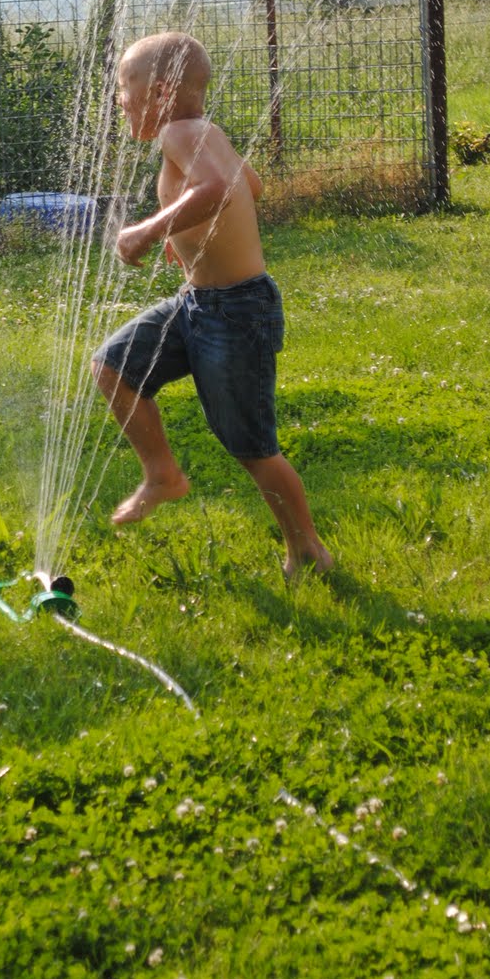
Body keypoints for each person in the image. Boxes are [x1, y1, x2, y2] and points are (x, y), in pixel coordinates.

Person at [91, 30, 333, 583]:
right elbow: (250, 186)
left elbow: (221, 189)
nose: (118, 100)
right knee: (113, 365)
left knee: (252, 446)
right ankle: (162, 474)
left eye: (124, 88)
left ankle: (308, 552)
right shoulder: (201, 132)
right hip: (197, 303)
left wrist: (150, 232)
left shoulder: (179, 132)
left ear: (160, 92)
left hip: (236, 312)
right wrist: (189, 238)